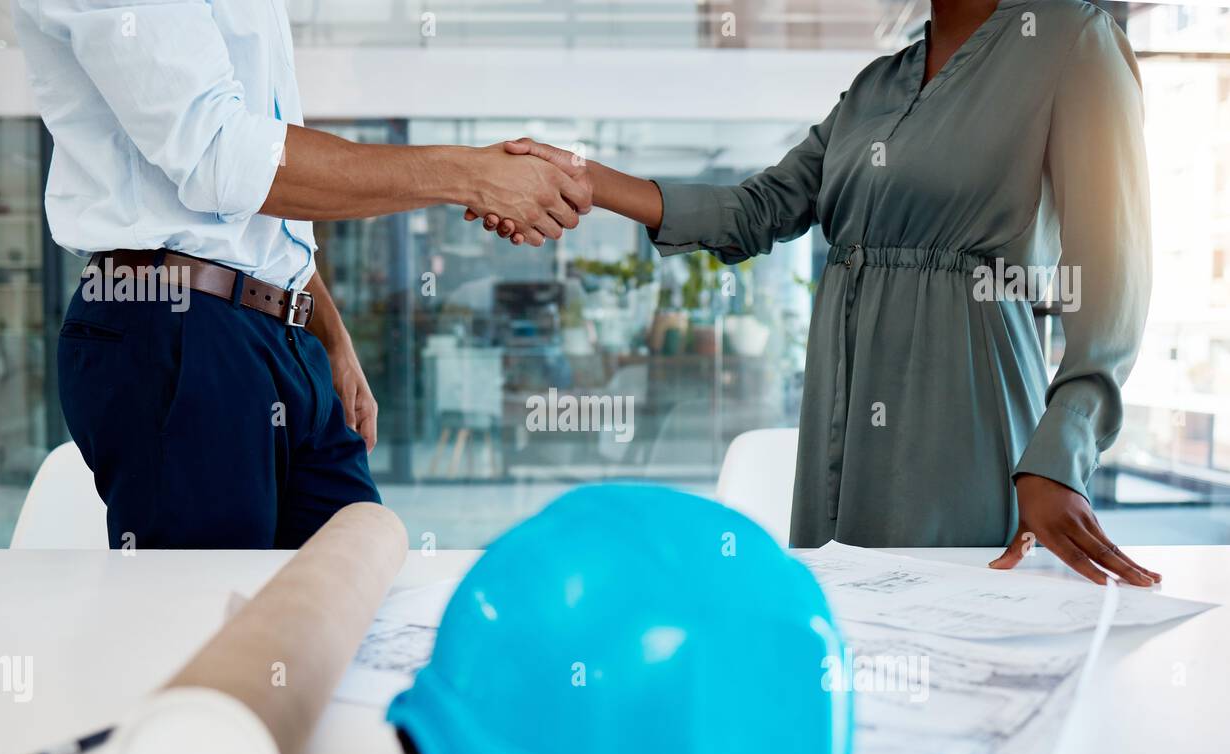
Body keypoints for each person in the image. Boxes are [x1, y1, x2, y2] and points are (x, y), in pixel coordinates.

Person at [473, 0, 1160, 587]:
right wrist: (580, 177)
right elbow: (756, 208)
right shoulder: (875, 86)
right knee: (854, 636)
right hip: (844, 400)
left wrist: (1060, 451)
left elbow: (1114, 274)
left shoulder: (1073, 41)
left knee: (950, 638)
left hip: (967, 408)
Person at [12, 0, 586, 549]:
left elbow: (264, 214)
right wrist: (468, 174)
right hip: (178, 328)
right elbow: (221, 159)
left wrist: (328, 335)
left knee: (351, 579)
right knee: (209, 619)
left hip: (282, 338)